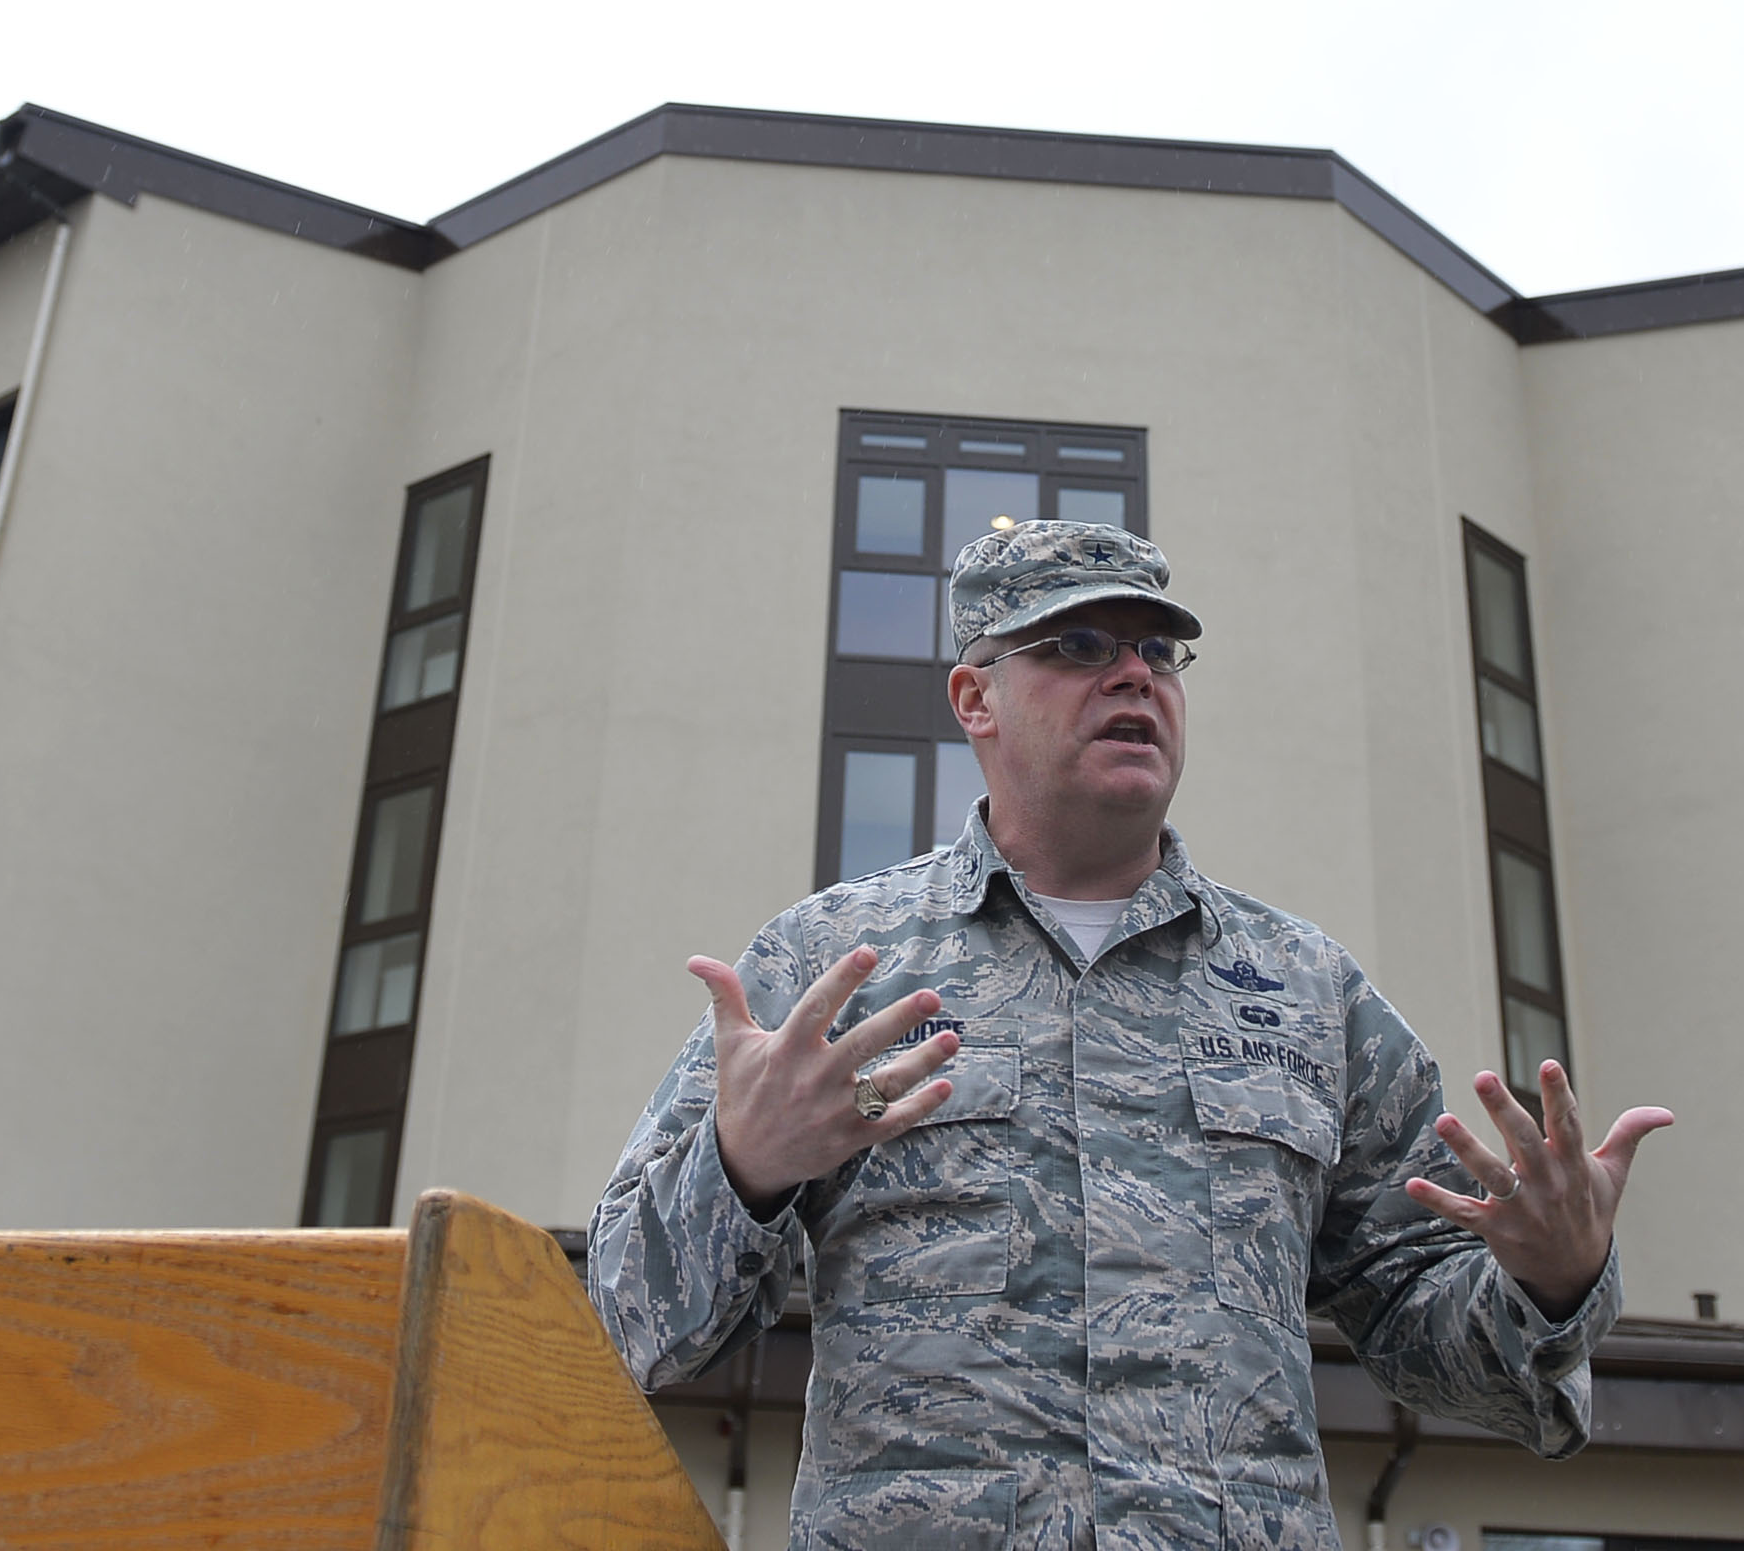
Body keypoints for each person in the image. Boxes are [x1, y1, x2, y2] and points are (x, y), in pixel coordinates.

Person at [588, 521, 1672, 1551]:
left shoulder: (1307, 988)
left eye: (1160, 649)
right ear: (975, 697)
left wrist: (1553, 1280)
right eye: (1076, 644)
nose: (1134, 673)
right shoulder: (826, 967)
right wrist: (746, 1167)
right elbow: (633, 1328)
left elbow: (1443, 1341)